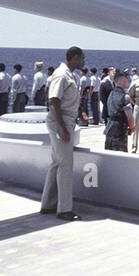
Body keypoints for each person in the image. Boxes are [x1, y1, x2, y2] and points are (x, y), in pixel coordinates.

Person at [41, 46, 84, 221]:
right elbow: (54, 101)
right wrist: (63, 129)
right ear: (74, 58)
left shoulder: (69, 75)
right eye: (81, 58)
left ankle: (48, 204)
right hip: (61, 121)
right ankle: (64, 209)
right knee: (65, 165)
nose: (83, 61)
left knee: (56, 163)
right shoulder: (61, 74)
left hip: (65, 120)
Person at [104, 69, 134, 151]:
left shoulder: (111, 93)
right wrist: (131, 128)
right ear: (123, 81)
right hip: (120, 129)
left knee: (109, 153)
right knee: (121, 156)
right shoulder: (125, 97)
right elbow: (130, 118)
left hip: (109, 127)